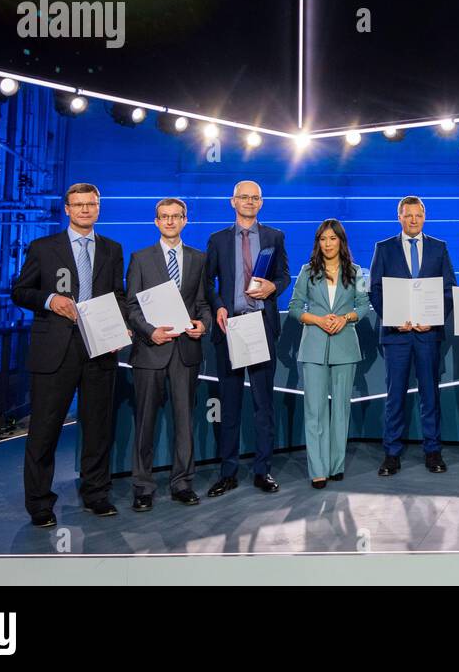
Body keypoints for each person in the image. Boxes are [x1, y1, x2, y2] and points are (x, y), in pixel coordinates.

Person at [11, 183, 129, 526]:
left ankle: (96, 494)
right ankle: (40, 504)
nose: (85, 210)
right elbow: (20, 291)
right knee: (45, 430)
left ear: (98, 207)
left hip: (100, 349)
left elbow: (118, 295)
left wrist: (117, 328)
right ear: (66, 209)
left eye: (91, 204)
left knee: (97, 428)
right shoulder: (43, 248)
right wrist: (50, 300)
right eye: (78, 205)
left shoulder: (112, 249)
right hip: (55, 351)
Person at [123, 198, 211, 511]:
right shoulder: (140, 258)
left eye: (176, 216)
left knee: (185, 422)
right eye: (164, 217)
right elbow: (131, 306)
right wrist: (150, 331)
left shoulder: (199, 258)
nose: (170, 222)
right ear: (156, 222)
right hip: (150, 351)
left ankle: (182, 483)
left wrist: (204, 324)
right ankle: (143, 487)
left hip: (186, 352)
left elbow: (202, 303)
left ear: (185, 220)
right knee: (145, 422)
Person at [204, 180, 290, 497]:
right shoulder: (218, 240)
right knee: (230, 404)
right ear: (233, 201)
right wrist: (219, 306)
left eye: (255, 197)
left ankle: (262, 470)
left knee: (262, 405)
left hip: (261, 325)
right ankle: (228, 472)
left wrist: (273, 288)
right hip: (230, 328)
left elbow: (283, 276)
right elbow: (208, 283)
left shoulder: (274, 237)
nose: (249, 202)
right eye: (244, 197)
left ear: (261, 203)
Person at [369, 196, 455, 476]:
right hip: (396, 336)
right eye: (408, 215)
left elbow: (448, 289)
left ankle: (433, 451)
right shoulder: (383, 248)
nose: (413, 220)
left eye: (418, 215)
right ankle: (391, 453)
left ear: (424, 216)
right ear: (399, 217)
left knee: (430, 395)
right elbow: (375, 290)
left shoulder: (438, 248)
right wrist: (394, 320)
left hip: (428, 336)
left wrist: (433, 320)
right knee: (395, 396)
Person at [287, 219, 369, 489]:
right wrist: (318, 320)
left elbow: (364, 306)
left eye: (333, 238)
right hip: (313, 347)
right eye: (323, 239)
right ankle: (318, 470)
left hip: (345, 347)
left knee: (340, 411)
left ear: (341, 241)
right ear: (317, 242)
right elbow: (296, 307)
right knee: (315, 411)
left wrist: (345, 318)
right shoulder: (307, 271)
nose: (328, 244)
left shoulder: (358, 272)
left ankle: (336, 466)